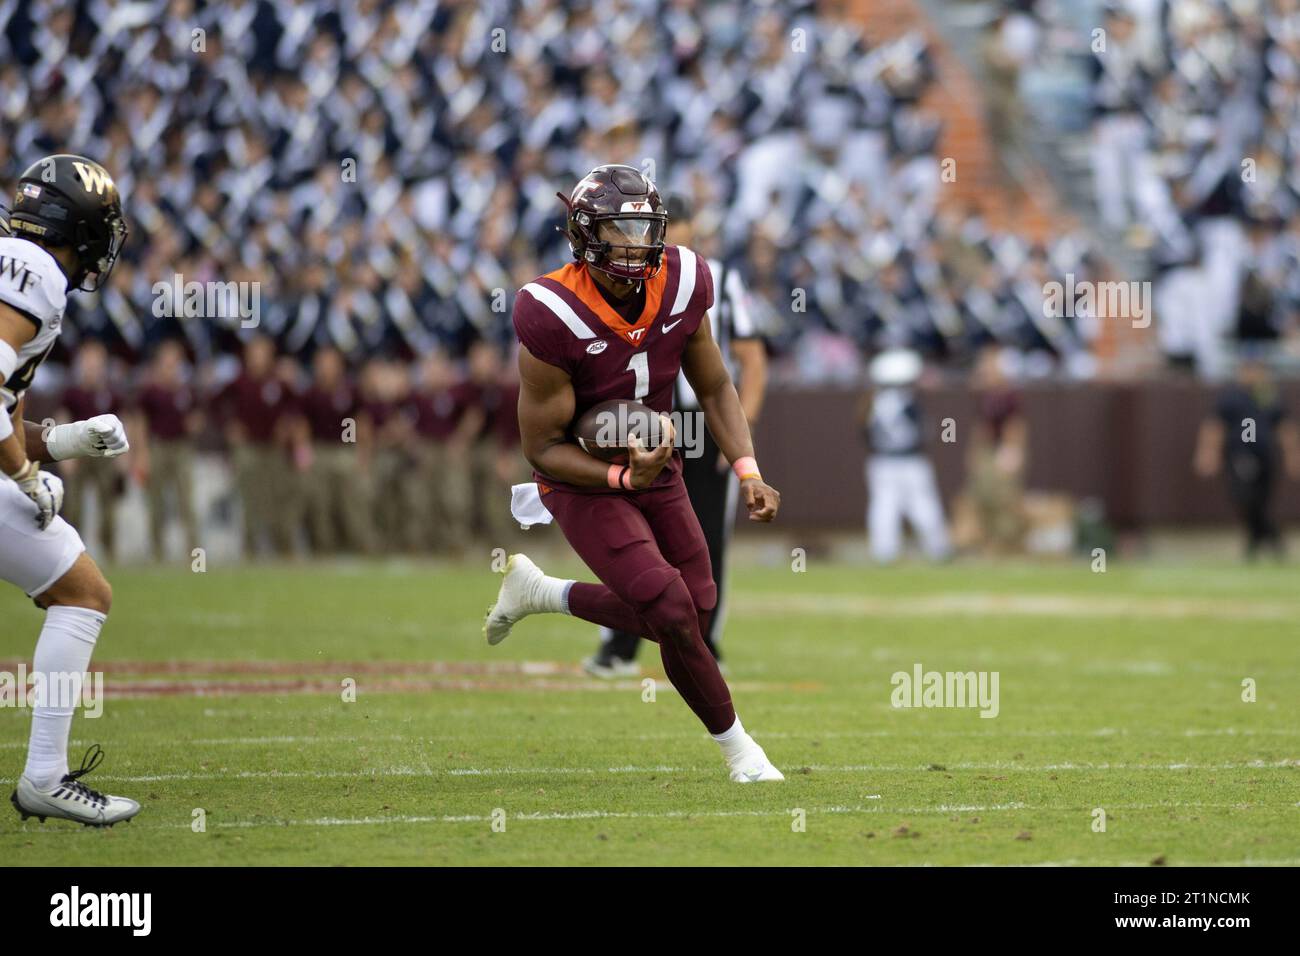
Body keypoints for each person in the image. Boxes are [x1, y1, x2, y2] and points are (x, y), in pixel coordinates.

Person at [483, 164, 785, 783]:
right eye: (623, 228)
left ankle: (543, 594)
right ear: (588, 236)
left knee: (695, 611)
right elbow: (541, 445)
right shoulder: (550, 309)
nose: (639, 242)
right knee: (670, 609)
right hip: (582, 477)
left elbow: (717, 382)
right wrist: (621, 482)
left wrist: (747, 468)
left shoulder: (683, 279)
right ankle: (742, 752)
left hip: (658, 459)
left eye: (646, 226)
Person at [2, 154, 139, 825]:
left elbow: (4, 414)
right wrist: (25, 477)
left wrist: (60, 443)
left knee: (82, 589)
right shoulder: (35, 275)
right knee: (82, 594)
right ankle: (44, 777)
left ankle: (45, 778)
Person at [583, 195, 769, 677]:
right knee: (632, 534)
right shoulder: (621, 275)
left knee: (706, 539)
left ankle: (703, 642)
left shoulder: (716, 278)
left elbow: (749, 360)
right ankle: (619, 644)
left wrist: (739, 443)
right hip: (643, 419)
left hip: (701, 423)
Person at [1194, 355, 1300, 559]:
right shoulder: (1231, 397)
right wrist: (1208, 454)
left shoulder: (1268, 396)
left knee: (1262, 501)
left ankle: (1255, 541)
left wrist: (1293, 457)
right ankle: (1272, 539)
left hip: (1266, 456)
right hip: (1241, 456)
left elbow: (1285, 427)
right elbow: (1215, 426)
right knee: (1245, 498)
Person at [861, 348, 950, 562]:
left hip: (882, 461)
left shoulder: (872, 402)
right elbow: (925, 431)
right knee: (923, 504)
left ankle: (884, 552)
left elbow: (864, 434)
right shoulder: (908, 402)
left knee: (883, 506)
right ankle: (938, 548)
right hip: (910, 461)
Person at [133, 339, 202, 561]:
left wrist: (195, 424)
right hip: (159, 446)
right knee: (157, 502)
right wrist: (141, 452)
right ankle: (157, 552)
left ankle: (193, 553)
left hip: (181, 447)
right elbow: (141, 422)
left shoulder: (186, 391)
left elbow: (198, 417)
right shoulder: (151, 392)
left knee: (186, 501)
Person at [57, 339, 127, 560]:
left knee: (108, 504)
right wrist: (63, 452)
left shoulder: (111, 393)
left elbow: (121, 422)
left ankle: (110, 550)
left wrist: (123, 455)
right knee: (74, 504)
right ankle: (73, 554)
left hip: (104, 452)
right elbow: (62, 419)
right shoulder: (72, 393)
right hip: (78, 450)